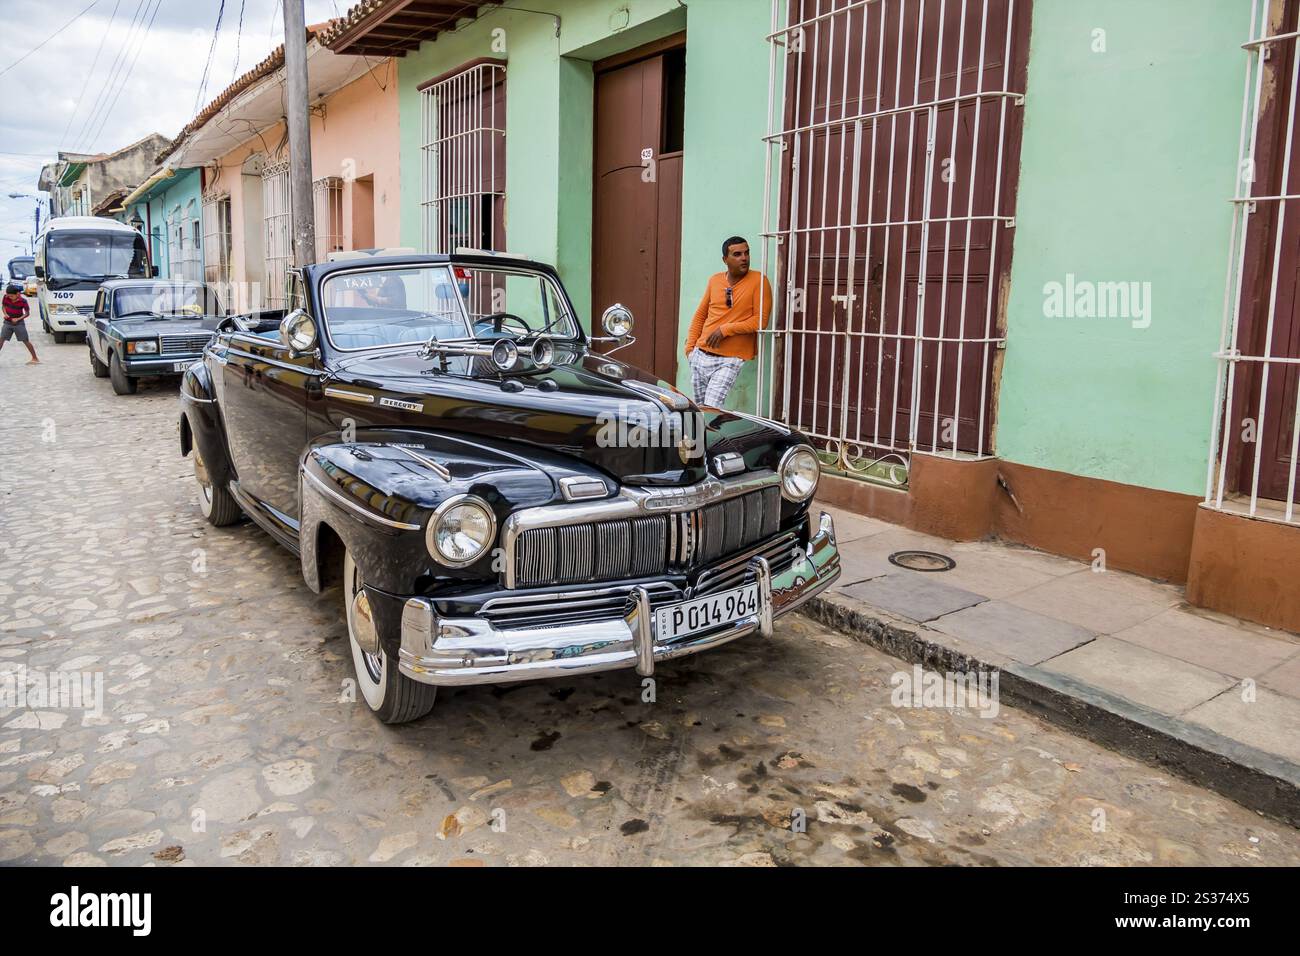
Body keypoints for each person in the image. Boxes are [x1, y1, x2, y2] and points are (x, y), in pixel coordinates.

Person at [684, 236, 772, 407]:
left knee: (712, 408)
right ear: (725, 259)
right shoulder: (715, 280)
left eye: (746, 253)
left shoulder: (759, 281)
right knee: (699, 411)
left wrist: (725, 329)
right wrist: (690, 350)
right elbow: (700, 315)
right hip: (700, 355)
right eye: (737, 254)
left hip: (730, 359)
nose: (744, 258)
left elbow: (760, 321)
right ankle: (701, 435)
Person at [0, 283, 39, 365]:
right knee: (1, 339)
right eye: (8, 296)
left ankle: (35, 358)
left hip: (19, 323)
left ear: (17, 294)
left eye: (11, 296)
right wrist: (5, 314)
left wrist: (18, 319)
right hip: (7, 322)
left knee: (25, 340)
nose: (9, 297)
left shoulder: (23, 301)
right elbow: (3, 306)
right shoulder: (6, 297)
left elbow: (27, 313)